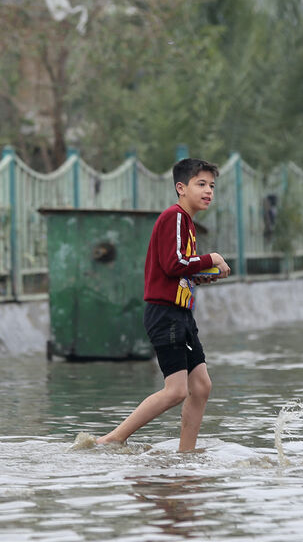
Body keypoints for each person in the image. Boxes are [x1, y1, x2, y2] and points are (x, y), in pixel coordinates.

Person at [97, 157, 232, 452]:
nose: (208, 191)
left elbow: (179, 270)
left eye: (211, 185)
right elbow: (173, 264)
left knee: (201, 386)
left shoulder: (188, 224)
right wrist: (213, 258)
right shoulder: (176, 217)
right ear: (180, 188)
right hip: (166, 314)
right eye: (201, 184)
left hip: (181, 314)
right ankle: (113, 438)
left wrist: (200, 276)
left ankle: (186, 454)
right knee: (176, 391)